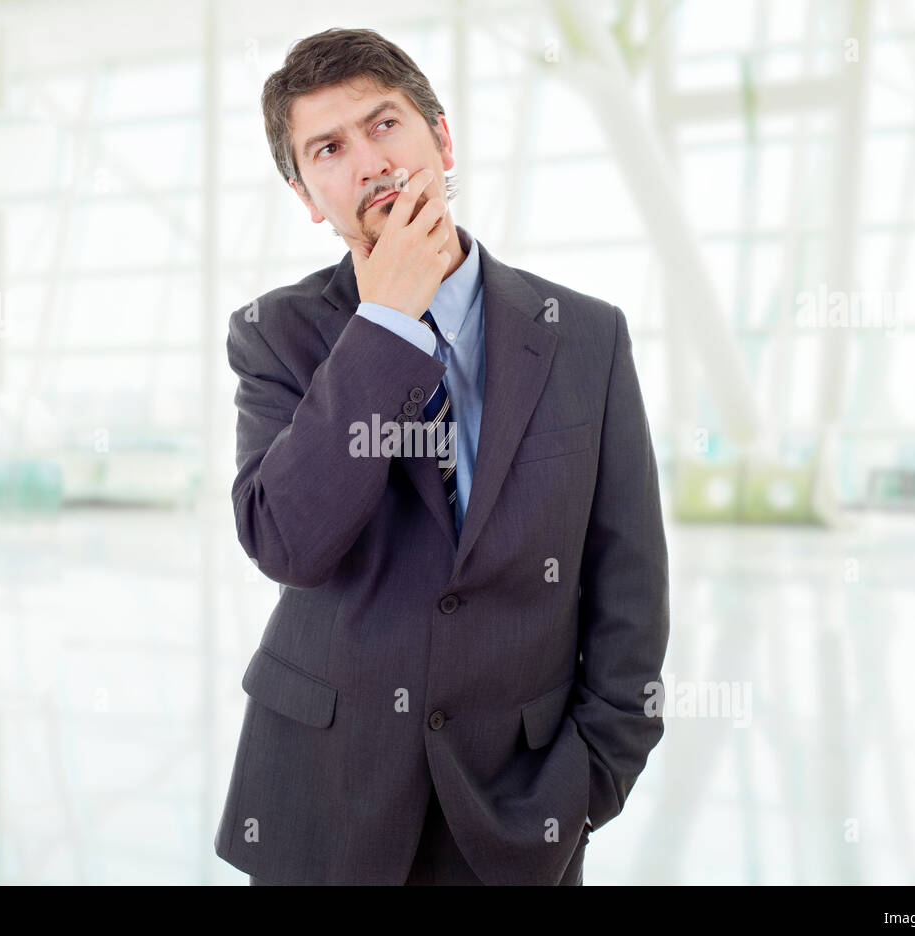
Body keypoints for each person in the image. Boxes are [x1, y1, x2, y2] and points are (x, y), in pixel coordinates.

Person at [215, 27, 669, 885]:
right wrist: (382, 327)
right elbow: (287, 544)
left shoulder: (586, 337)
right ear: (308, 194)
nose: (369, 161)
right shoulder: (274, 335)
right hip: (324, 801)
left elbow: (629, 582)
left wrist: (587, 783)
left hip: (520, 808)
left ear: (442, 139)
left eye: (385, 125)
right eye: (329, 148)